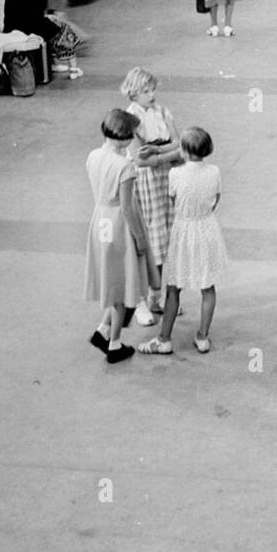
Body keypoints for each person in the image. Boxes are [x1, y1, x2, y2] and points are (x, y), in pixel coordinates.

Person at [139, 127, 227, 356]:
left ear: (185, 152)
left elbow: (173, 199)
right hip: (207, 230)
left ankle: (164, 339)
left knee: (174, 288)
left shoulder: (175, 174)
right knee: (207, 287)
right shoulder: (214, 171)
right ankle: (202, 337)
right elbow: (215, 200)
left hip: (184, 230)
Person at [84, 109, 151, 365]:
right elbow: (126, 206)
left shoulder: (93, 156)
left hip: (99, 218)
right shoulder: (125, 166)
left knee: (108, 276)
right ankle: (115, 343)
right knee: (121, 287)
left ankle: (102, 330)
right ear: (124, 137)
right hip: (118, 226)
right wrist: (140, 237)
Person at [121, 67, 181, 330]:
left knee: (165, 240)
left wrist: (157, 150)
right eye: (146, 91)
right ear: (133, 92)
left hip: (165, 180)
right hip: (144, 185)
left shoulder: (163, 112)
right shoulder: (129, 118)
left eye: (153, 89)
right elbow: (138, 158)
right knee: (147, 243)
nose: (151, 94)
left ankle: (156, 298)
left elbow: (178, 141)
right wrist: (167, 152)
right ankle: (140, 301)